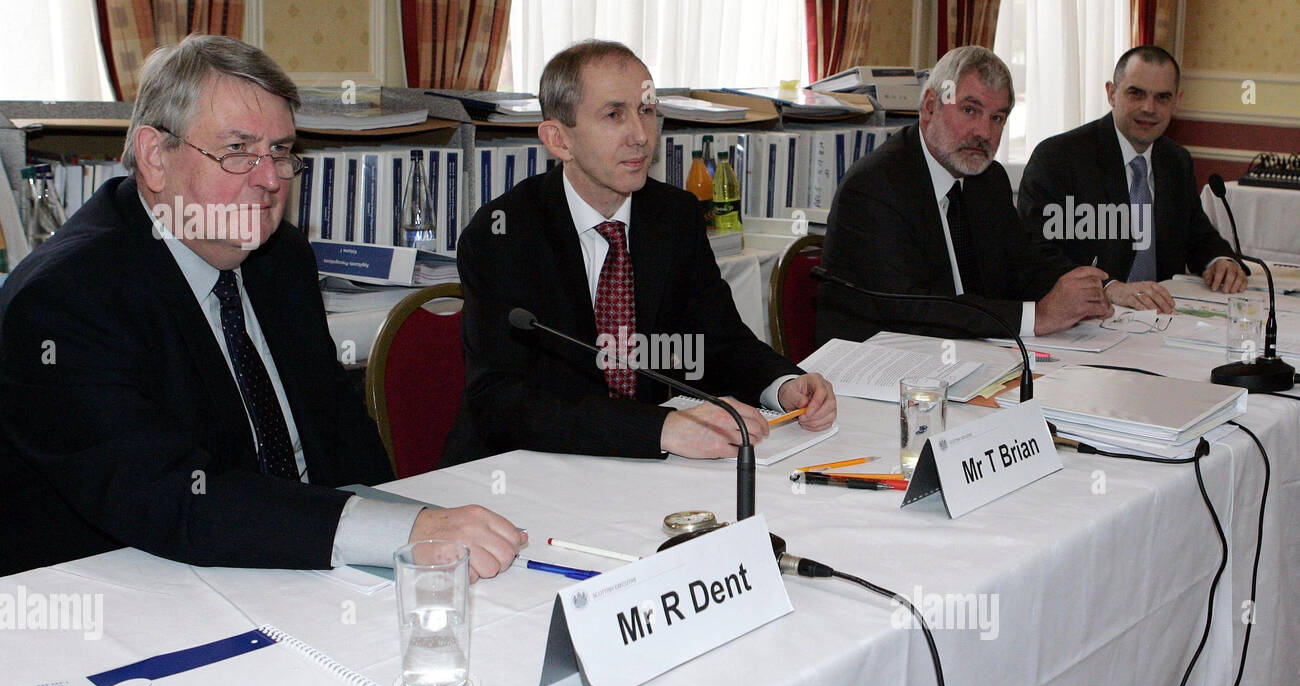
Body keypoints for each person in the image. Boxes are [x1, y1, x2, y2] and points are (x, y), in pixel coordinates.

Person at [0, 35, 524, 578]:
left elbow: (338, 428)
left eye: (279, 151)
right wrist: (396, 531)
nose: (271, 179)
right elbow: (169, 497)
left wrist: (403, 522)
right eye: (237, 151)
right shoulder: (67, 298)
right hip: (130, 586)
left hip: (302, 558)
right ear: (156, 157)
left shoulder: (280, 257)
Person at [441, 40, 835, 465]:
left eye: (646, 110)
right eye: (614, 115)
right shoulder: (503, 233)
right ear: (559, 140)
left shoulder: (674, 215)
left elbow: (716, 341)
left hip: (638, 465)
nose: (641, 135)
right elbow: (500, 401)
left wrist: (782, 385)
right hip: (522, 468)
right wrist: (658, 428)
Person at [815, 46, 1113, 344]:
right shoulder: (876, 187)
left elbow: (1025, 262)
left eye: (997, 118)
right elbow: (911, 310)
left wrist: (1098, 288)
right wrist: (1039, 316)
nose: (983, 132)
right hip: (884, 364)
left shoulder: (987, 179)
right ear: (931, 107)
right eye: (970, 110)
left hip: (972, 356)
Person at [1018, 46, 1243, 313]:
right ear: (1112, 93)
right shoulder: (1059, 158)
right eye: (1136, 94)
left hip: (1162, 318)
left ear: (1176, 102)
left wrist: (1218, 260)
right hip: (1085, 321)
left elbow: (1197, 234)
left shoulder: (1175, 160)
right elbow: (1034, 251)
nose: (1149, 108)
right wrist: (1109, 287)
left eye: (1162, 98)